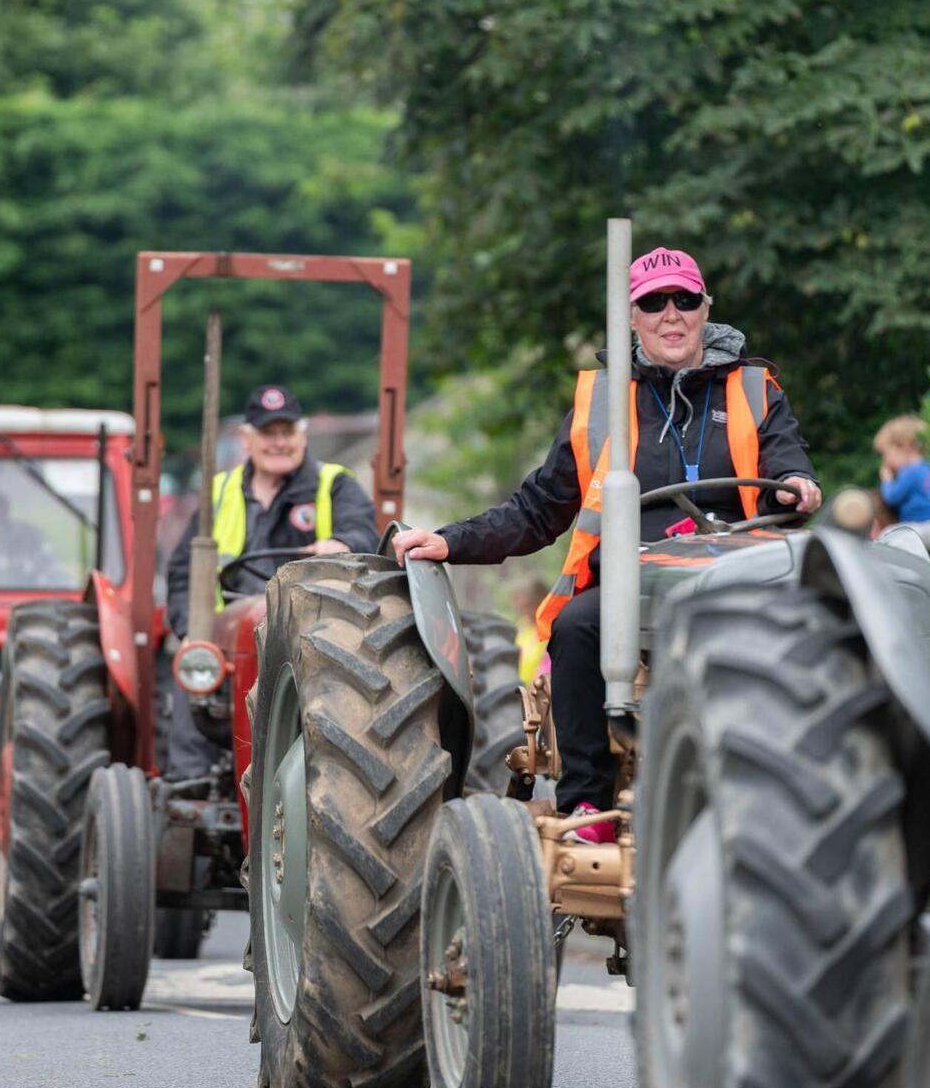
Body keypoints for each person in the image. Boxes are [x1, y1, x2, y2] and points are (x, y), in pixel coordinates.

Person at [393, 246, 823, 840]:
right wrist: (448, 541)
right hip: (634, 580)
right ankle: (588, 805)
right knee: (577, 626)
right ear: (632, 318)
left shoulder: (753, 389)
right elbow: (537, 511)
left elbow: (789, 465)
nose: (670, 314)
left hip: (740, 570)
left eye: (684, 299)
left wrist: (799, 487)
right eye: (653, 302)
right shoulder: (601, 403)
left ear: (705, 308)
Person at [163, 384, 378, 778]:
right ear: (247, 438)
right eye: (268, 433)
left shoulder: (335, 485)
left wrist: (340, 543)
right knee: (192, 665)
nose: (278, 443)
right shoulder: (219, 493)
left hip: (309, 631)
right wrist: (191, 632)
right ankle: (189, 783)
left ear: (303, 434)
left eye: (287, 432)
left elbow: (364, 534)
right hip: (227, 634)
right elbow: (181, 573)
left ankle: (329, 773)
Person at [873, 415, 930, 553]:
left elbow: (892, 497)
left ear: (904, 446)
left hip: (926, 529)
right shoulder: (926, 468)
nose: (885, 461)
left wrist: (887, 480)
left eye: (886, 453)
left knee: (889, 534)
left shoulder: (910, 471)